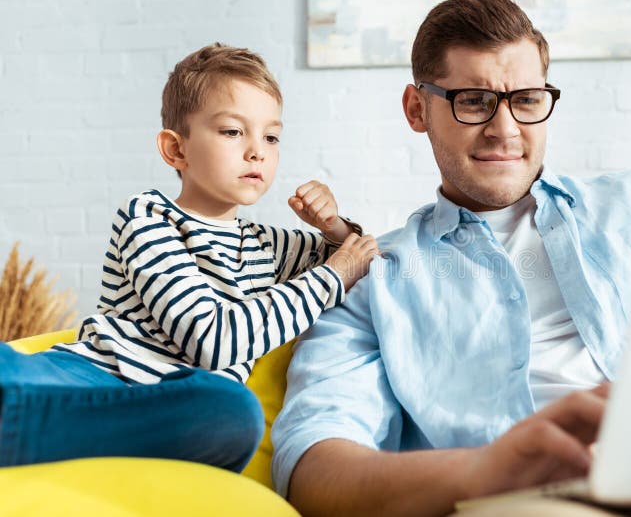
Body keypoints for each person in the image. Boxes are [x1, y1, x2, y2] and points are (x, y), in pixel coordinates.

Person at [271, 0, 631, 516]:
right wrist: (486, 470)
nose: (505, 131)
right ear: (417, 109)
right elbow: (313, 472)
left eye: (526, 99)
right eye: (474, 101)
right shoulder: (374, 276)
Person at [0, 43, 378, 471]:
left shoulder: (271, 247)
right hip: (89, 379)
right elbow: (211, 341)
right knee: (10, 370)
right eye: (233, 131)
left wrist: (333, 227)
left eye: (271, 136)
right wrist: (332, 276)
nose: (258, 150)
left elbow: (361, 261)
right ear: (176, 150)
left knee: (232, 413)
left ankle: (35, 432)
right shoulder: (147, 217)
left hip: (176, 407)